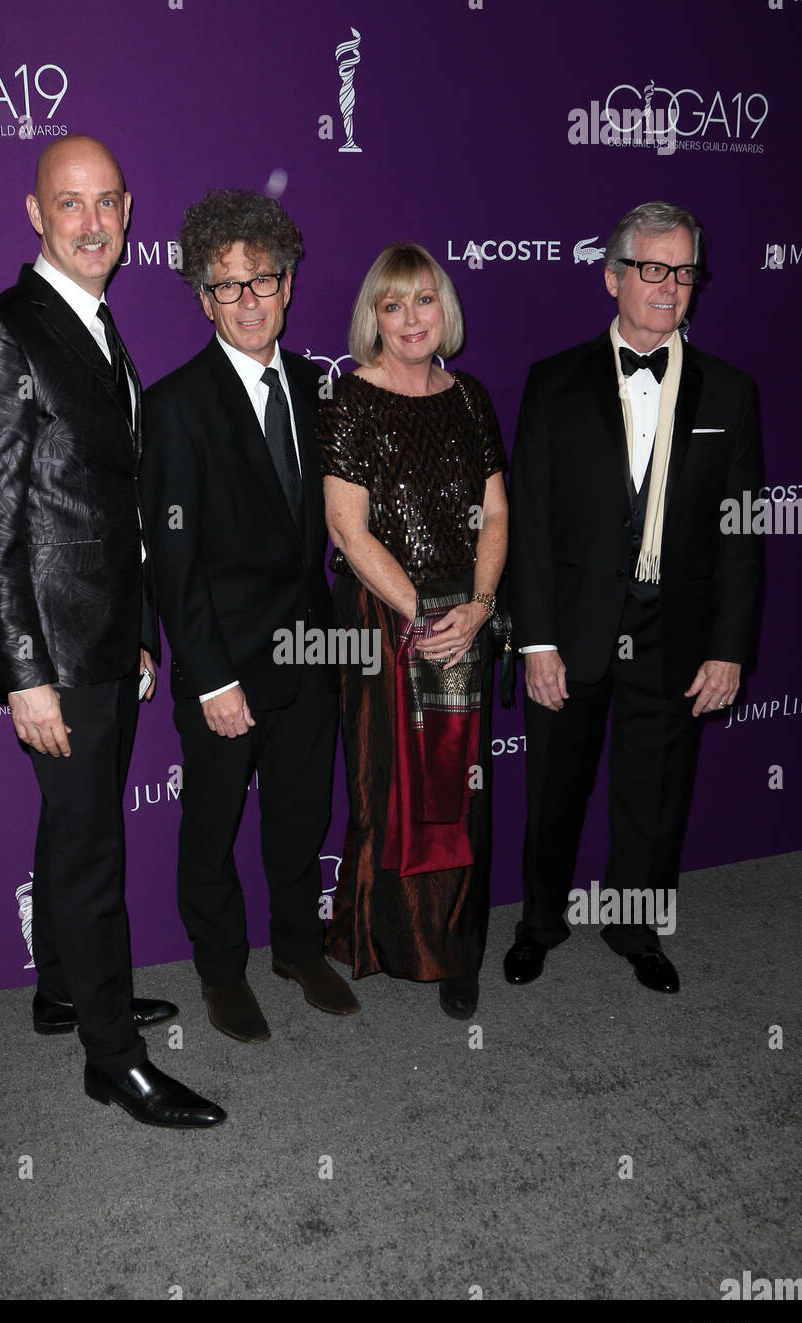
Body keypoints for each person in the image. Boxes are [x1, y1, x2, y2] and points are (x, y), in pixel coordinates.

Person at [0, 135, 224, 1128]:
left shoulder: (99, 325)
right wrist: (22, 671)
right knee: (90, 849)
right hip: (54, 656)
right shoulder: (3, 334)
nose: (93, 220)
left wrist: (139, 633)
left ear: (128, 209)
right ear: (36, 214)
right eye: (71, 203)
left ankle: (63, 989)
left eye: (108, 201)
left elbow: (109, 511)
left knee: (71, 827)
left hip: (105, 642)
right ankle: (112, 1056)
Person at [506, 201, 763, 993]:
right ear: (612, 276)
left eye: (683, 271)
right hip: (574, 628)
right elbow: (532, 522)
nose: (669, 286)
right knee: (555, 790)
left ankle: (635, 927)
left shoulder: (730, 393)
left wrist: (728, 646)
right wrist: (536, 639)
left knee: (655, 798)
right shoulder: (552, 383)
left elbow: (741, 533)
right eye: (652, 269)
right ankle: (540, 923)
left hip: (673, 630)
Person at [139, 189, 359, 1043]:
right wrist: (213, 676)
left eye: (262, 281)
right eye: (228, 287)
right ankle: (222, 972)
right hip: (226, 665)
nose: (249, 301)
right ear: (203, 297)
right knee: (211, 832)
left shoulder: (316, 385)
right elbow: (172, 563)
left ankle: (298, 948)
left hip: (311, 652)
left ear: (289, 284)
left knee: (302, 815)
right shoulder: (174, 406)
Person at [321, 242, 508, 1019]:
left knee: (461, 792)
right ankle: (384, 937)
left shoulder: (469, 399)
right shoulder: (352, 400)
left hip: (466, 616)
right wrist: (420, 612)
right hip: (384, 618)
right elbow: (346, 528)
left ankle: (457, 949)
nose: (409, 319)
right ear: (374, 316)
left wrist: (481, 604)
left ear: (445, 309)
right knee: (386, 785)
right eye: (392, 305)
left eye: (423, 301)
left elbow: (496, 513)